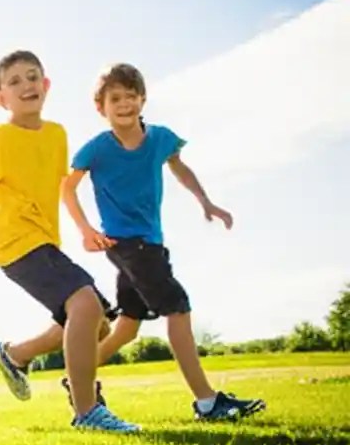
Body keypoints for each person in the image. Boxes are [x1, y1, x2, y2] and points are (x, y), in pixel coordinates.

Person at [0, 50, 140, 433]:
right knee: (84, 302)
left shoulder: (57, 135)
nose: (26, 85)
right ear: (0, 98)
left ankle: (15, 355)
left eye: (33, 77)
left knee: (96, 322)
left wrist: (85, 229)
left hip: (46, 242)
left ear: (46, 85)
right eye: (14, 82)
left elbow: (63, 188)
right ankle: (87, 411)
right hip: (15, 242)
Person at [62, 62, 265, 421]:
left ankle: (77, 376)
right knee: (178, 307)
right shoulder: (97, 149)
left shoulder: (160, 139)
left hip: (149, 242)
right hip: (126, 244)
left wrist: (206, 201)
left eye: (130, 96)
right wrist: (85, 230)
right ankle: (208, 402)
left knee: (127, 326)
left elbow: (179, 166)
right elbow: (67, 186)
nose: (124, 104)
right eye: (115, 99)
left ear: (142, 98)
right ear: (101, 107)